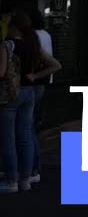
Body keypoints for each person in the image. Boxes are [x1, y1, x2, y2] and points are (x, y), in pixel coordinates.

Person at [0, 12, 61, 193]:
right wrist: (34, 76)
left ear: (13, 27)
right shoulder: (32, 44)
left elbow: (1, 72)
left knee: (8, 137)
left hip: (10, 95)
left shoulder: (7, 45)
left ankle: (11, 179)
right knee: (25, 135)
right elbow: (56, 65)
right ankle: (25, 179)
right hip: (29, 92)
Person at [27, 10, 52, 185]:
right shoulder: (46, 34)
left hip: (33, 82)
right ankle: (34, 167)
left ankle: (33, 167)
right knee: (30, 127)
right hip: (42, 82)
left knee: (26, 128)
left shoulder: (32, 37)